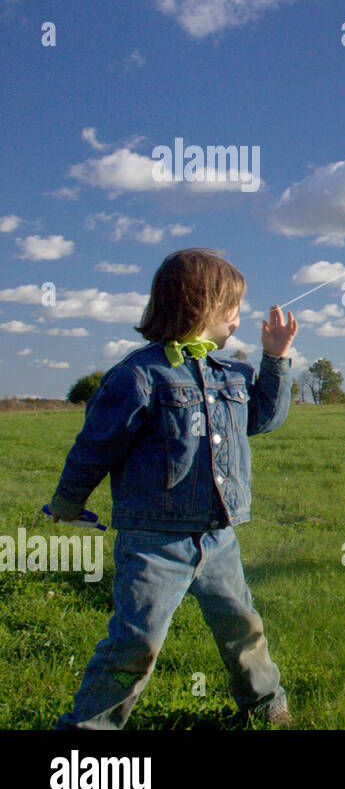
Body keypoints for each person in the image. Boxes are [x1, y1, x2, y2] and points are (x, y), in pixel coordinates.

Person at [49, 248, 298, 728]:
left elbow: (264, 419)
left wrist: (275, 359)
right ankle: (88, 729)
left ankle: (267, 704)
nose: (239, 318)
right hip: (153, 541)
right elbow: (96, 445)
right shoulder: (139, 376)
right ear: (202, 304)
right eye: (234, 306)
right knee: (134, 642)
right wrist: (68, 500)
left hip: (217, 536)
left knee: (242, 628)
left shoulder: (231, 373)